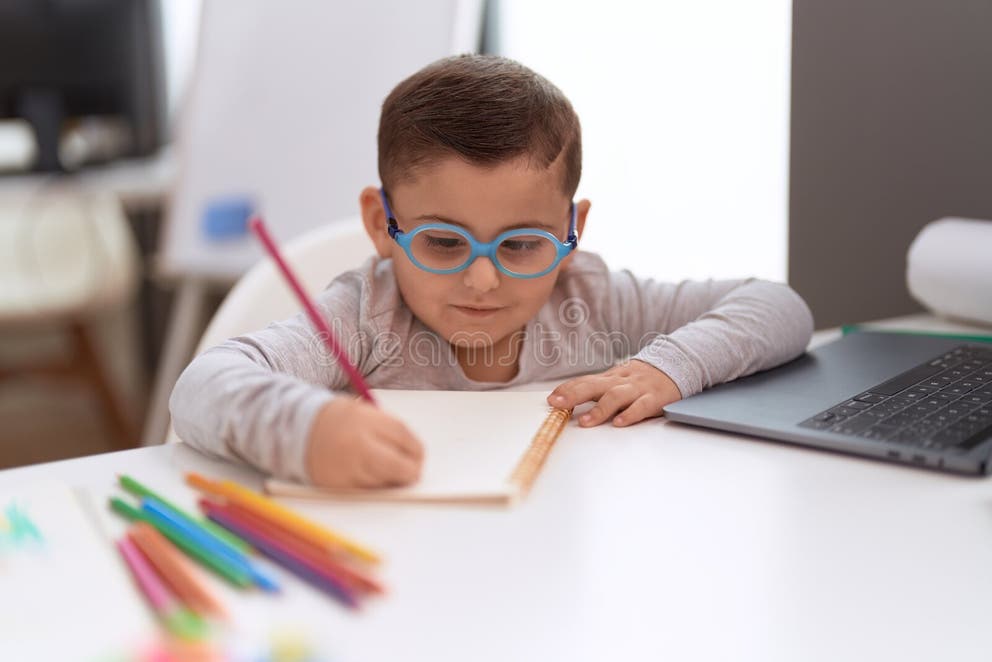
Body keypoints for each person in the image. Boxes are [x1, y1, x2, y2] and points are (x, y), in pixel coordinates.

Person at [170, 54, 813, 488]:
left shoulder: (592, 301)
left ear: (572, 230)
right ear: (381, 223)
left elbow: (778, 306)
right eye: (444, 242)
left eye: (522, 244)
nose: (483, 281)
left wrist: (668, 369)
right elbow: (201, 387)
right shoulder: (366, 317)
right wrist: (307, 431)